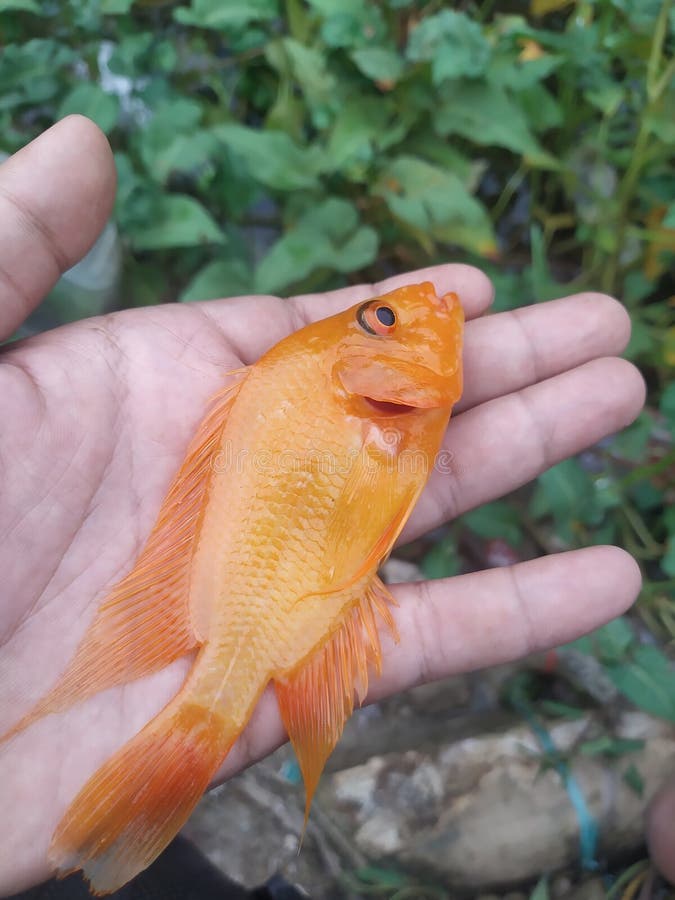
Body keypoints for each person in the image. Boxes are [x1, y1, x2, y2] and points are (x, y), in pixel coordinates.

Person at [0, 115, 663, 897]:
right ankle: (162, 772)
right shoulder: (344, 394)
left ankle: (149, 793)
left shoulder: (352, 397)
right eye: (381, 318)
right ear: (360, 362)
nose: (415, 309)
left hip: (258, 608)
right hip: (252, 609)